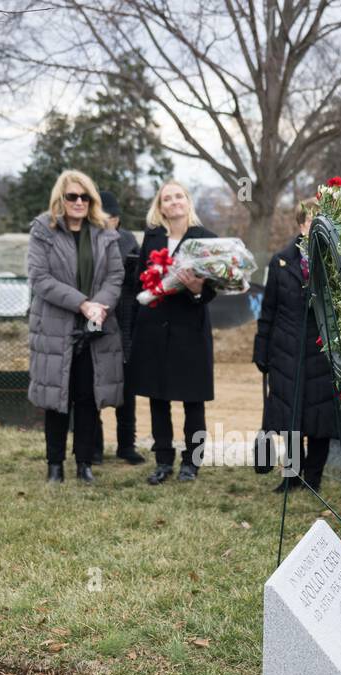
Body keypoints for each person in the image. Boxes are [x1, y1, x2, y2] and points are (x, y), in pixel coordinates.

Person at [25, 171, 125, 484]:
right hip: (56, 326)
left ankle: (84, 463)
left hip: (96, 325)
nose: (79, 202)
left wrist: (98, 306)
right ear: (61, 199)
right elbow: (40, 279)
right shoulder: (43, 230)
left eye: (85, 197)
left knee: (87, 398)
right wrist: (82, 303)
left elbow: (115, 277)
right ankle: (55, 465)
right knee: (57, 400)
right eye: (72, 196)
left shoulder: (105, 233)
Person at [126, 180, 217, 484]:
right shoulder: (152, 239)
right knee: (157, 398)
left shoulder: (205, 239)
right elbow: (139, 282)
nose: (174, 202)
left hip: (189, 331)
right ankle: (163, 461)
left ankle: (192, 463)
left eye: (179, 196)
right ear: (161, 206)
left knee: (193, 401)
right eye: (168, 198)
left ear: (188, 201)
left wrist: (195, 290)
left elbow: (212, 292)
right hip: (153, 330)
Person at [253, 198, 336, 493]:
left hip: (322, 350)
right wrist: (261, 350)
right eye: (309, 221)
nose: (313, 227)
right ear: (301, 224)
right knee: (290, 416)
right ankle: (292, 476)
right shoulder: (281, 260)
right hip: (286, 351)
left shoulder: (336, 262)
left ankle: (312, 478)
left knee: (320, 417)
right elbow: (268, 310)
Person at [93, 189, 145, 465]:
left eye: (111, 217)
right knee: (94, 389)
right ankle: (94, 447)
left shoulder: (128, 241)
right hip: (98, 320)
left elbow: (138, 281)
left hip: (126, 321)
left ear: (118, 219)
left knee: (127, 390)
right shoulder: (87, 241)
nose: (106, 222)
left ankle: (127, 444)